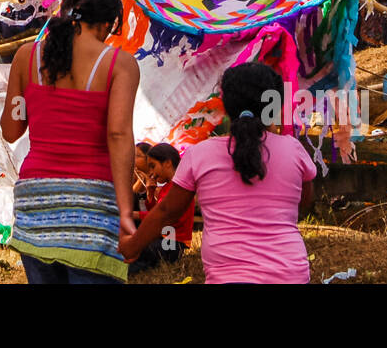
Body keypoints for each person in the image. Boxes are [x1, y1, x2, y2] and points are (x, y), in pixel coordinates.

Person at [1, 0, 140, 284]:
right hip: (91, 206)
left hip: (35, 204)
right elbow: (118, 135)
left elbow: (11, 130)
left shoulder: (27, 56)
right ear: (111, 21)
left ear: (64, 9)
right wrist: (125, 210)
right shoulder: (119, 64)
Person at [122, 62, 315, 284]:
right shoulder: (293, 149)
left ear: (225, 105)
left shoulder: (200, 154)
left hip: (228, 278)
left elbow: (166, 211)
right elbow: (305, 200)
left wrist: (132, 246)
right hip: (290, 274)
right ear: (274, 105)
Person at [128, 142, 195, 274]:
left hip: (172, 244)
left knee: (139, 249)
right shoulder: (166, 188)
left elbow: (163, 218)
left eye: (153, 166)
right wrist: (151, 194)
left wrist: (134, 215)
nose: (151, 172)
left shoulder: (180, 188)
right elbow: (157, 212)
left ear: (168, 163)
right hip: (163, 239)